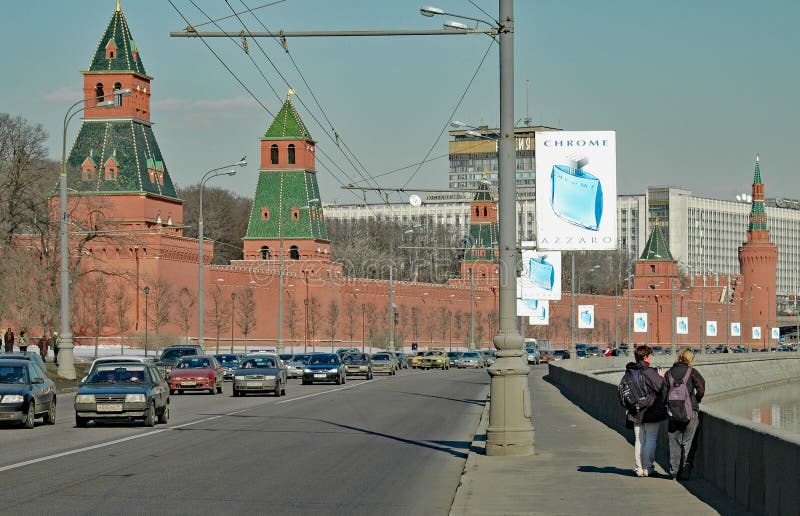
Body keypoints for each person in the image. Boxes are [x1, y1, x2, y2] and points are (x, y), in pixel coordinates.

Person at [625, 345, 668, 477]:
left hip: (635, 410)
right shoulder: (649, 372)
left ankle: (639, 468)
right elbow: (662, 388)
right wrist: (662, 377)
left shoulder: (630, 371)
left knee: (639, 440)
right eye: (649, 355)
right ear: (645, 357)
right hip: (650, 410)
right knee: (651, 438)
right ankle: (648, 467)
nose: (650, 357)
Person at [665, 347, 705, 480]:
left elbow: (664, 393)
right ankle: (686, 470)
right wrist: (696, 400)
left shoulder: (669, 373)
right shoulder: (691, 372)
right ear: (689, 358)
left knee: (674, 442)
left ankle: (674, 471)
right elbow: (701, 387)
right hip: (690, 412)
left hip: (673, 413)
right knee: (689, 442)